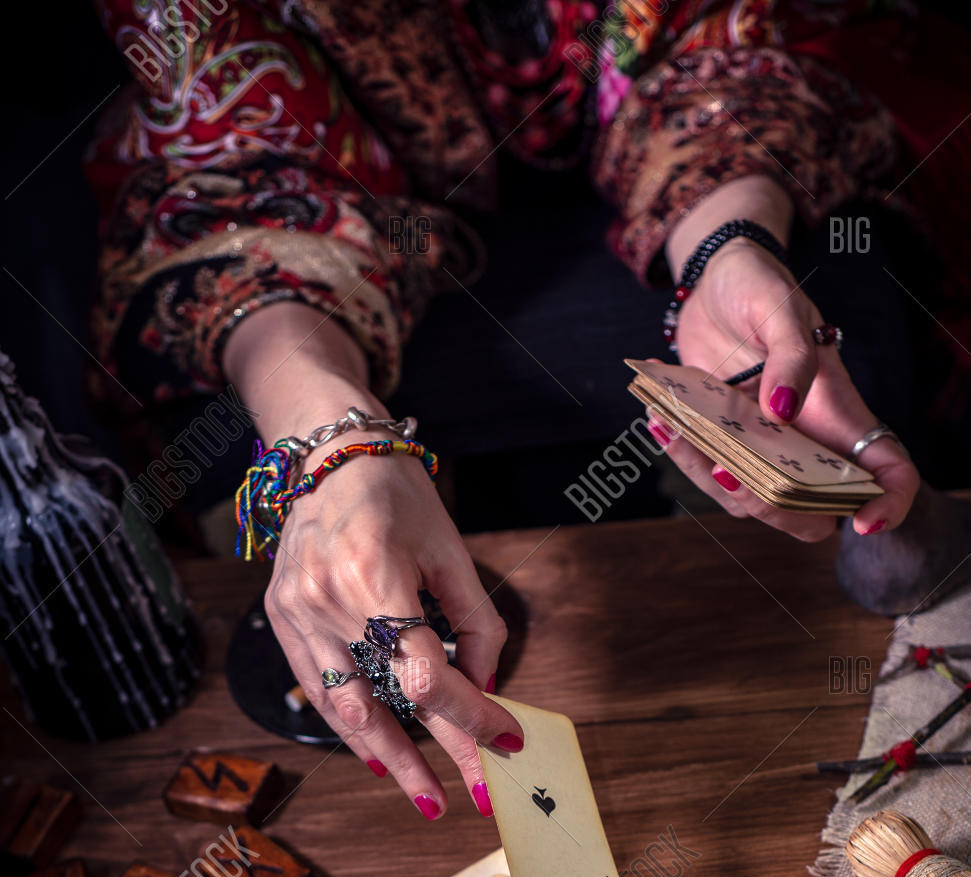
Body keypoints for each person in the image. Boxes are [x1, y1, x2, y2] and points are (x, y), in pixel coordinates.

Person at [86, 1, 964, 818]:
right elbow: (241, 181)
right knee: (358, 511)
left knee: (845, 319)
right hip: (351, 269)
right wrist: (329, 436)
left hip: (685, 186)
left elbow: (714, 52)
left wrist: (724, 250)